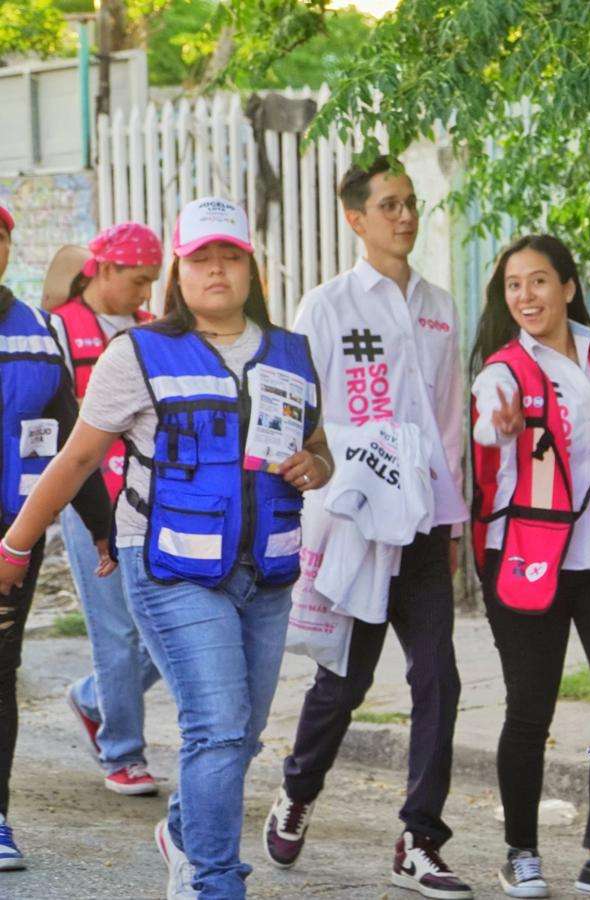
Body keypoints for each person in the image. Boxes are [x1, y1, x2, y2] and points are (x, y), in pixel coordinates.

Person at [0, 196, 331, 899]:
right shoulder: (139, 353)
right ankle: (213, 881)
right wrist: (17, 544)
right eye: (202, 258)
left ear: (252, 269)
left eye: (230, 257)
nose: (217, 270)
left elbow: (316, 450)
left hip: (265, 572)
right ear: (180, 272)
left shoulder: (292, 353)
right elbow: (78, 457)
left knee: (241, 734)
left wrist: (315, 467)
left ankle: (184, 831)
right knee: (215, 725)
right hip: (170, 566)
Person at [265, 156, 474, 900]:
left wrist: (451, 524)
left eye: (411, 203)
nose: (406, 217)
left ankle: (420, 837)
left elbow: (450, 423)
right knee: (345, 680)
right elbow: (300, 413)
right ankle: (297, 787)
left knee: (439, 677)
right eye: (389, 205)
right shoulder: (326, 307)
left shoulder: (442, 306)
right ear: (355, 218)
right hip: (355, 521)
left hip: (421, 523)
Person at [468, 234, 590, 899]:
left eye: (539, 281)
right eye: (514, 285)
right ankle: (519, 852)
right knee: (530, 711)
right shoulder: (500, 372)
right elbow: (485, 436)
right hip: (525, 558)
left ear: (568, 287)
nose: (526, 296)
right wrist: (502, 430)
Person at [0, 203, 117, 872]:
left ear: (10, 245)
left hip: (10, 541)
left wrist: (101, 528)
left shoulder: (39, 333)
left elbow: (73, 444)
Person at [48, 223, 166, 797]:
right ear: (106, 270)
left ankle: (95, 697)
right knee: (116, 632)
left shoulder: (153, 331)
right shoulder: (59, 329)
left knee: (168, 631)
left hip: (153, 500)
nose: (146, 294)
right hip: (90, 499)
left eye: (152, 282)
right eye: (139, 281)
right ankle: (122, 752)